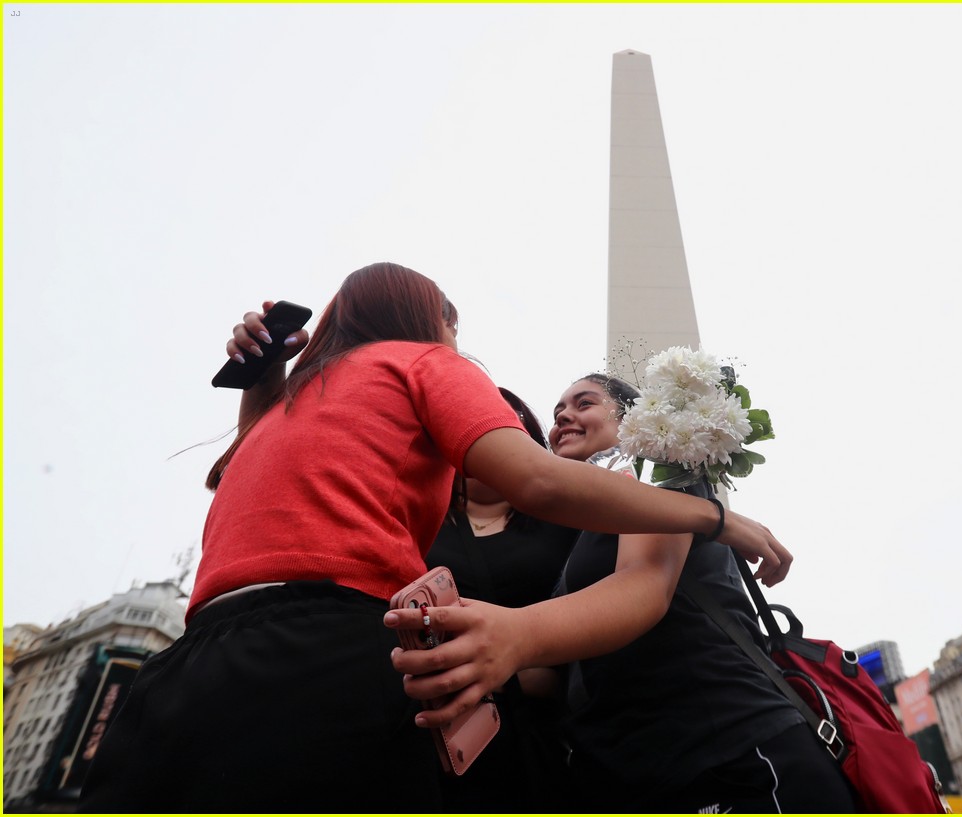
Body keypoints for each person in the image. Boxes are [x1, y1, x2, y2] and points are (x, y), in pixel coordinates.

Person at [79, 262, 790, 812]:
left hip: (181, 677)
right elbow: (537, 482)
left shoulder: (294, 398)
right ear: (436, 318)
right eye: (454, 323)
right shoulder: (427, 364)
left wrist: (262, 379)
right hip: (333, 662)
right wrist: (718, 518)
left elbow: (256, 487)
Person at [387, 374, 856, 812]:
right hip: (641, 772)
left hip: (730, 751)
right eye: (556, 413)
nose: (561, 419)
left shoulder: (661, 470)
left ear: (635, 421)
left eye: (583, 403)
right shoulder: (580, 536)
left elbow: (644, 588)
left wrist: (513, 634)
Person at [425, 387, 579, 812]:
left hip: (556, 740)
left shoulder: (572, 517)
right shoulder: (414, 524)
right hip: (436, 741)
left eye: (502, 424)